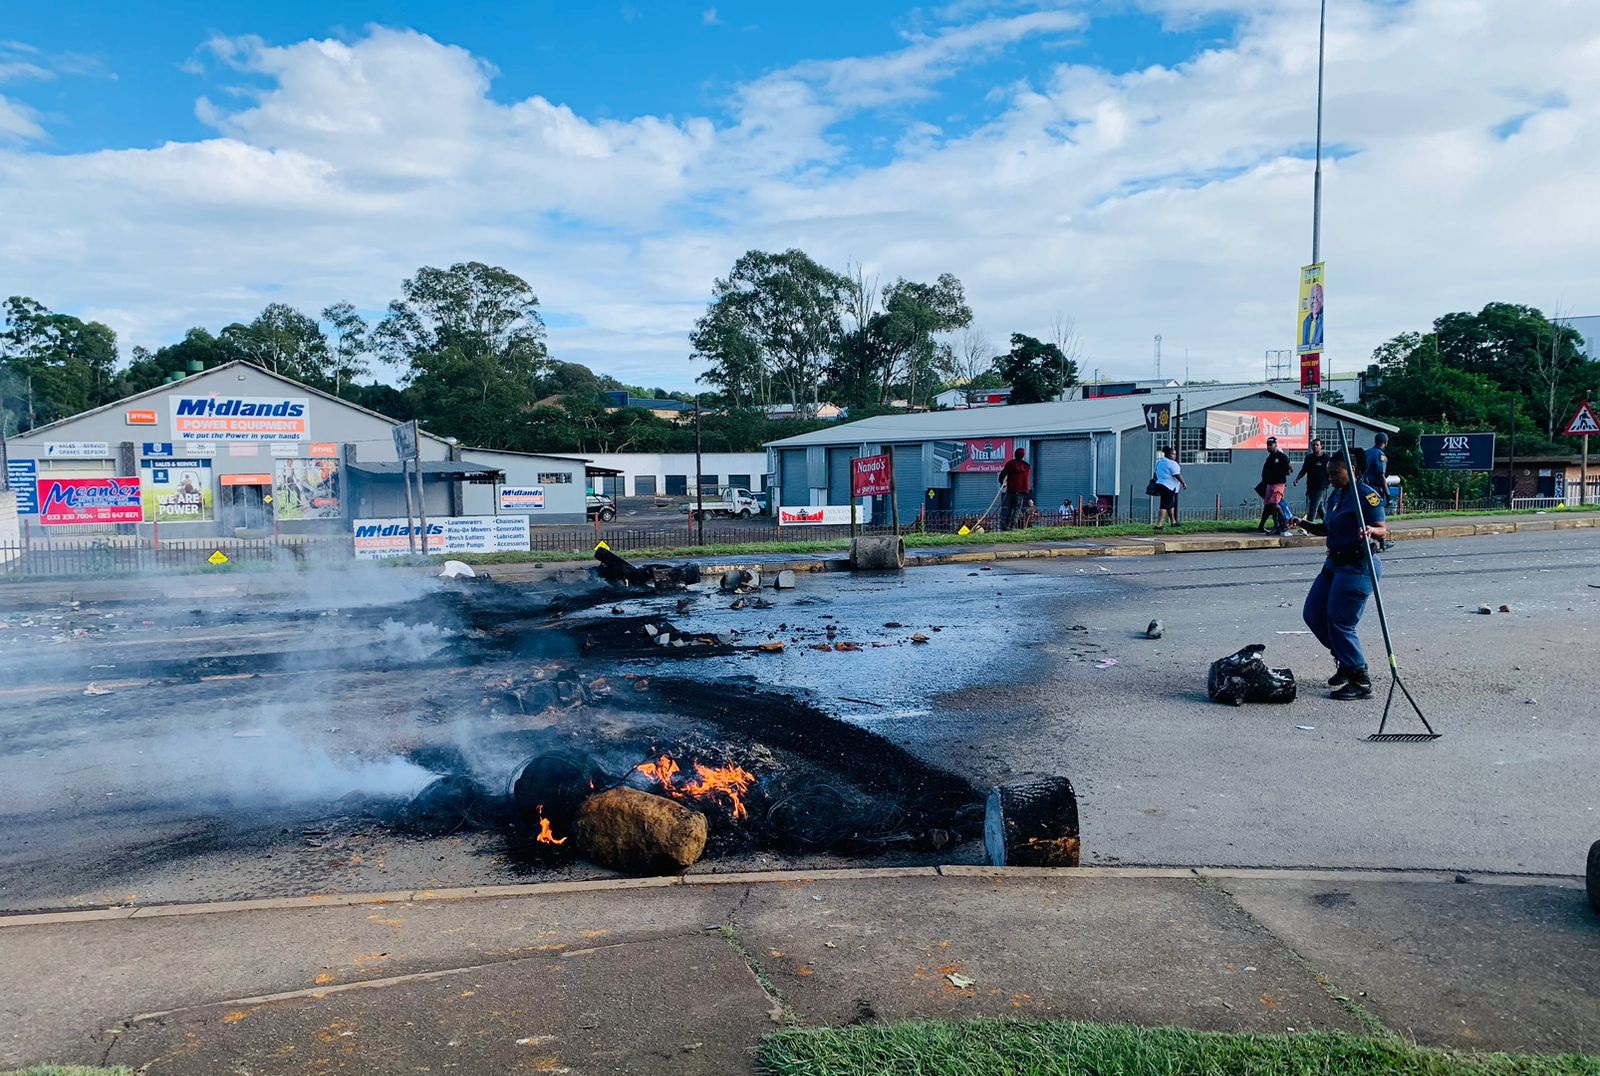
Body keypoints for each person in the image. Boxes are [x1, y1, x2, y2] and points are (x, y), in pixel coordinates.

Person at [1299, 454, 1387, 699]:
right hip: (1334, 564)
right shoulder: (1336, 495)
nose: (1330, 477)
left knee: (1340, 622)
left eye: (1335, 473)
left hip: (1357, 566)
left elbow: (1383, 530)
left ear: (1352, 470)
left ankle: (1360, 678)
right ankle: (1345, 660)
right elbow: (1327, 528)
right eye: (1328, 473)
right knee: (1313, 614)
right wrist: (1303, 523)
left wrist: (1371, 530)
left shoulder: (1367, 496)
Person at [1256, 436, 1294, 534]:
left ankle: (1284, 521)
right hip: (1269, 484)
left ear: (1275, 445)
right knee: (1270, 505)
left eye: (1270, 445)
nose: (1268, 447)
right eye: (1267, 445)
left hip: (1278, 484)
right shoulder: (1269, 458)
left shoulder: (1282, 456)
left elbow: (1290, 469)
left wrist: (1285, 472)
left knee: (1274, 504)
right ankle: (1276, 526)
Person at [1363, 432, 1393, 549]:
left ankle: (1374, 541)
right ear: (1385, 443)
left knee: (1365, 514)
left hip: (1363, 488)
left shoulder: (1366, 453)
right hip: (1374, 490)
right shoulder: (1381, 455)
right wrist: (1388, 495)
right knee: (1378, 515)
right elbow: (1381, 476)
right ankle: (1382, 542)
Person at [1294, 438, 1330, 521]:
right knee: (1320, 508)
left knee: (1313, 507)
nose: (1315, 446)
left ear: (1321, 446)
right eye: (1313, 445)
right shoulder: (1309, 458)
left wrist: (1330, 482)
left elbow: (1330, 471)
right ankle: (1328, 524)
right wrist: (1297, 479)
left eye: (1317, 445)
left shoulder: (1326, 458)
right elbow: (1304, 470)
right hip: (1311, 486)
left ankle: (1309, 525)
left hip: (1321, 487)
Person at [997, 447, 1032, 530]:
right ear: (1023, 456)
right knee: (1017, 508)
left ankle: (1006, 525)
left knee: (1009, 507)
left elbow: (1002, 474)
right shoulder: (1026, 466)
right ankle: (1012, 526)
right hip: (1021, 491)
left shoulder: (1010, 464)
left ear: (1015, 454)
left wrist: (1002, 482)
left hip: (1011, 490)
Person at [1154, 446, 1186, 530]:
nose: (1175, 456)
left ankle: (1173, 521)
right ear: (1168, 454)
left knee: (1170, 504)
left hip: (1159, 484)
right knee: (1164, 505)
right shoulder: (1172, 463)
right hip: (1169, 486)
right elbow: (1177, 475)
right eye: (1173, 454)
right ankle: (1159, 524)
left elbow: (1155, 473)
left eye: (1175, 454)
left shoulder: (1159, 462)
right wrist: (1183, 483)